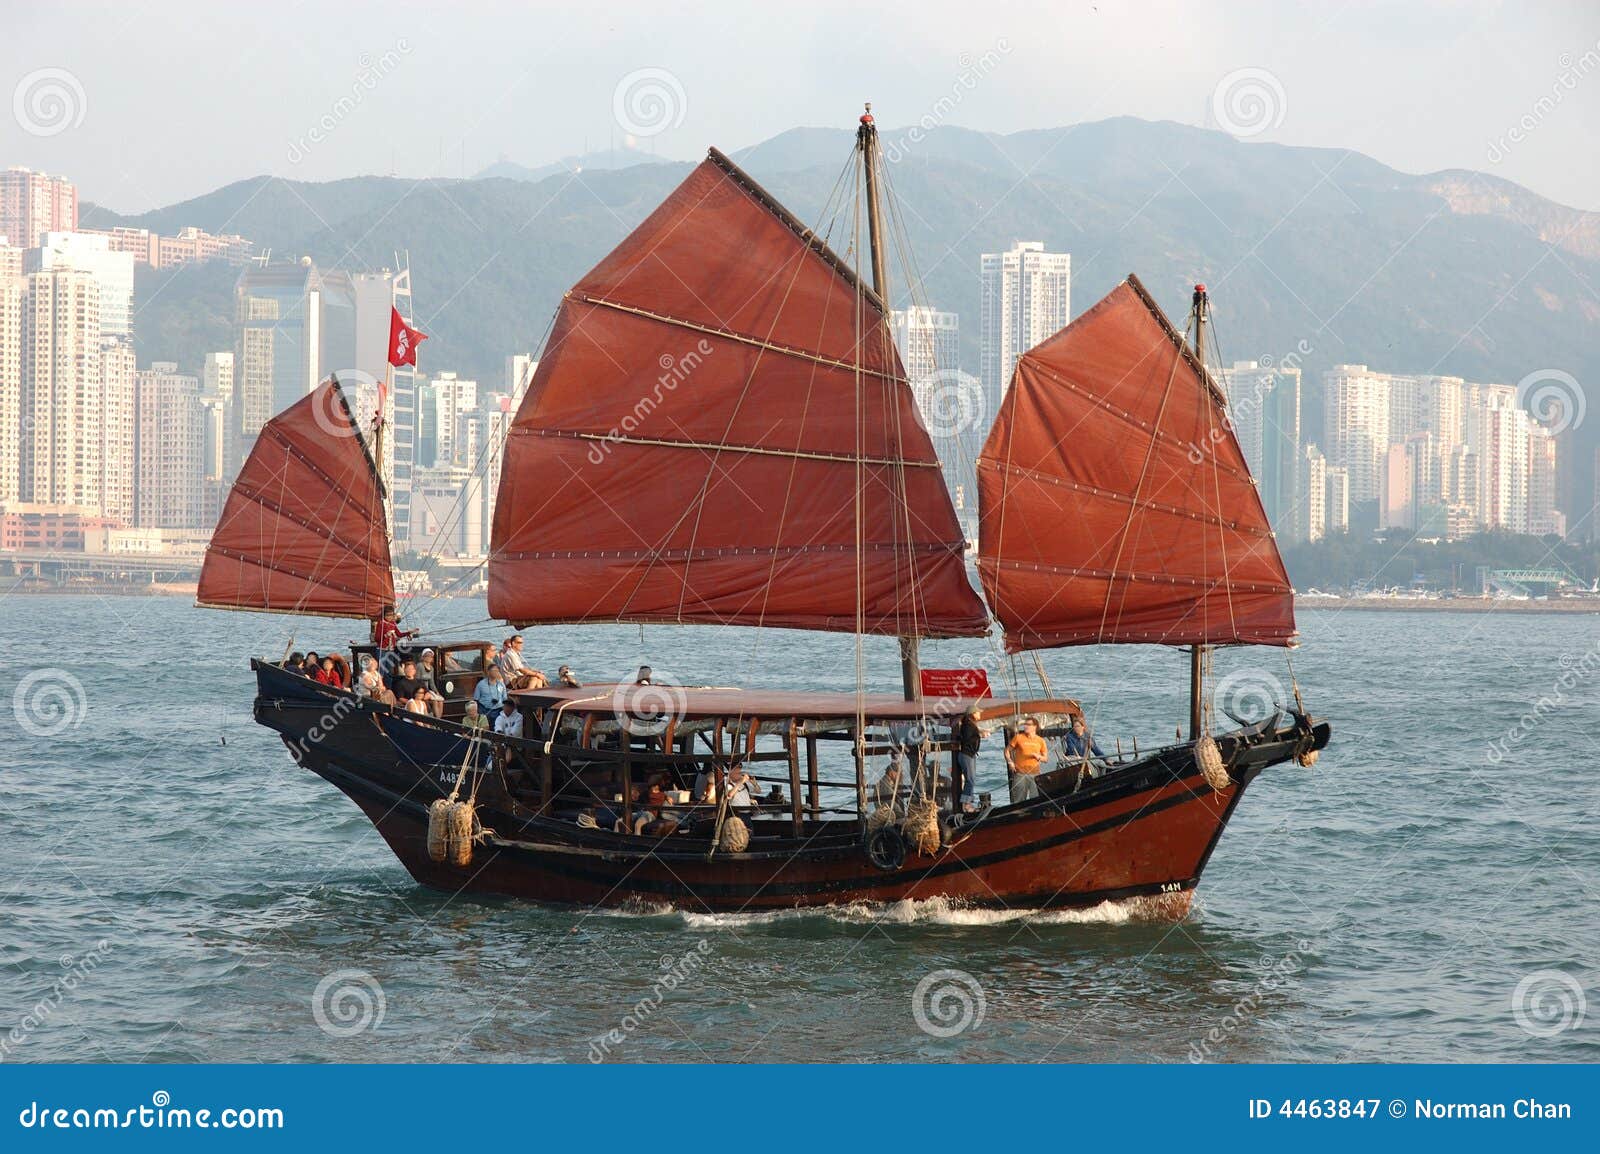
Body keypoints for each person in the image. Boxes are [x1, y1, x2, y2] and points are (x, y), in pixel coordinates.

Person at [1005, 716, 1049, 803]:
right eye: (1025, 724)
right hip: (1020, 774)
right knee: (1019, 801)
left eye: (1028, 724)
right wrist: (1010, 762)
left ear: (1035, 727)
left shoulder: (1040, 741)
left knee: (1035, 799)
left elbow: (1046, 759)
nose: (1025, 726)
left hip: (1035, 775)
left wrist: (1038, 757)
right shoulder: (1018, 737)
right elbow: (1006, 751)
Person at [953, 706, 983, 814]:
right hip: (966, 755)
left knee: (972, 779)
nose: (980, 714)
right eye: (978, 713)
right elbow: (966, 739)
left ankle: (969, 802)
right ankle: (966, 804)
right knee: (970, 780)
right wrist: (979, 735)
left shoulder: (970, 724)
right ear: (973, 714)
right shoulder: (968, 726)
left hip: (970, 754)